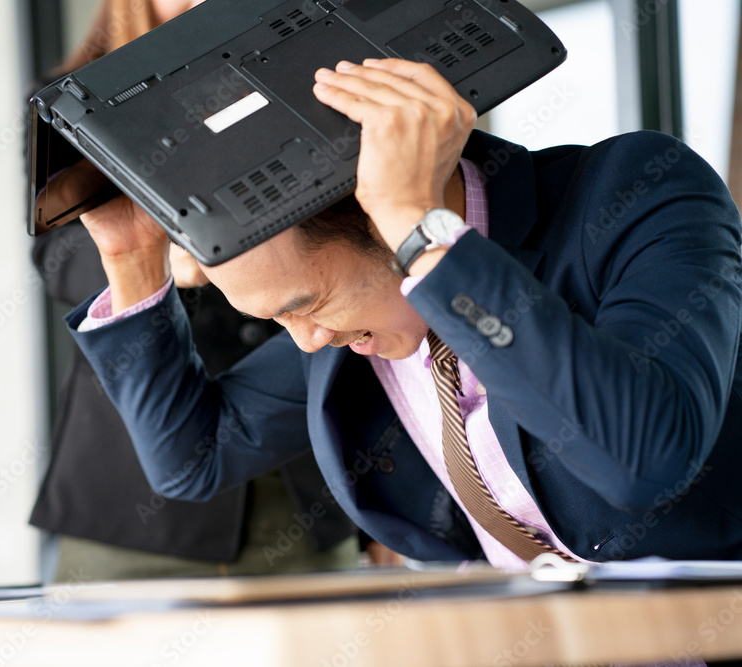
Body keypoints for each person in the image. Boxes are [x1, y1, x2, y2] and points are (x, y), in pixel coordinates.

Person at [66, 52, 742, 572]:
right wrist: (130, 260)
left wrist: (425, 231)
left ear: (379, 216)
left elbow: (645, 460)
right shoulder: (346, 330)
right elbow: (193, 458)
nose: (306, 344)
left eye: (305, 305)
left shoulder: (636, 194)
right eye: (278, 320)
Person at [29, 0, 360, 582]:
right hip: (134, 496)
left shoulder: (292, 59)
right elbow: (56, 256)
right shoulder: (71, 96)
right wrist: (158, 255)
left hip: (305, 475)